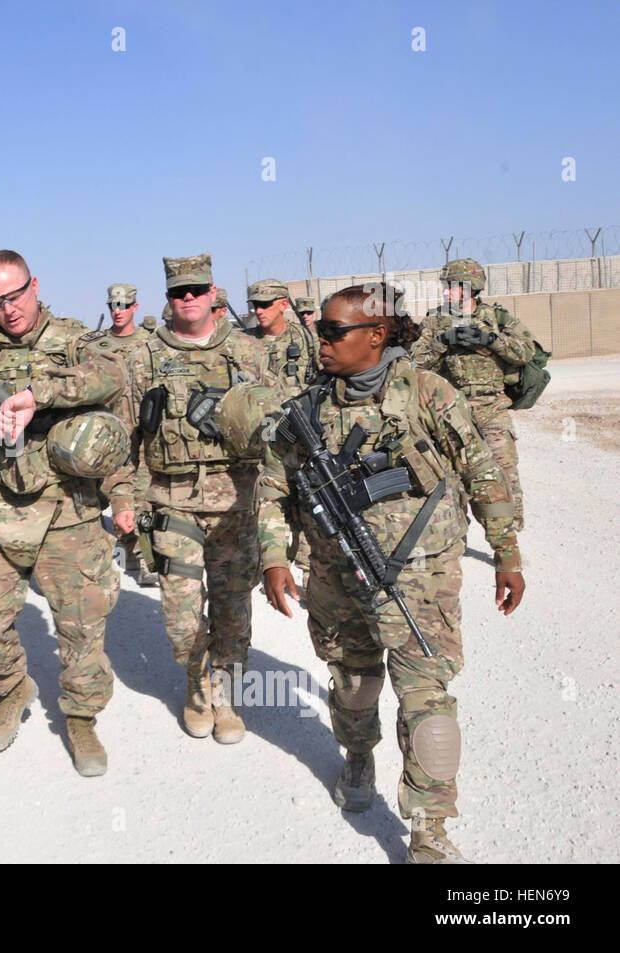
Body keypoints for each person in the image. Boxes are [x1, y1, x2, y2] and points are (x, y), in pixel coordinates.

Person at [257, 283, 525, 863]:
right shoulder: (308, 411)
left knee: (427, 699)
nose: (320, 342)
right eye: (320, 331)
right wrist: (275, 556)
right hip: (336, 574)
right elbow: (273, 487)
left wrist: (506, 551)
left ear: (375, 335)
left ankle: (430, 830)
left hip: (421, 576)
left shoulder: (429, 394)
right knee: (352, 682)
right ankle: (357, 757)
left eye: (333, 332)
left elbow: (482, 470)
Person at [0, 250, 134, 777]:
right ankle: (11, 689)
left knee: (80, 627)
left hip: (66, 511)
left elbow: (113, 375)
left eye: (17, 294)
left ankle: (81, 717)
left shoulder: (71, 340)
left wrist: (35, 395)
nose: (9, 308)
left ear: (34, 285)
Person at [127, 254, 269, 744]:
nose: (187, 299)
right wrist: (126, 500)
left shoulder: (250, 353)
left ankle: (226, 698)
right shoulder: (144, 356)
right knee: (180, 615)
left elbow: (275, 427)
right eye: (177, 292)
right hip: (172, 503)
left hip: (236, 503)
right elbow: (129, 436)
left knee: (233, 610)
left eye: (196, 290)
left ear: (213, 293)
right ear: (168, 299)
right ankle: (196, 684)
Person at [411, 258, 535, 530]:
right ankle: (456, 539)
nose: (445, 292)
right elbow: (413, 364)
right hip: (451, 415)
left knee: (504, 475)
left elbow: (526, 353)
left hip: (492, 411)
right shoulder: (435, 321)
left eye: (452, 287)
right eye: (446, 287)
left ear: (470, 287)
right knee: (452, 480)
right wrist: (441, 343)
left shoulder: (497, 318)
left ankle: (507, 539)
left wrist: (491, 340)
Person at [74, 283, 155, 586]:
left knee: (144, 492)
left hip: (144, 431)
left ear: (135, 307)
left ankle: (147, 556)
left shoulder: (150, 343)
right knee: (111, 490)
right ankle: (126, 543)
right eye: (113, 306)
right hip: (108, 432)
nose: (118, 311)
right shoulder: (96, 345)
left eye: (124, 305)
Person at [245, 279, 318, 399]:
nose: (258, 311)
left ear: (283, 305)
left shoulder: (306, 337)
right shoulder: (244, 341)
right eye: (255, 305)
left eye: (264, 304)